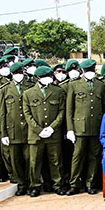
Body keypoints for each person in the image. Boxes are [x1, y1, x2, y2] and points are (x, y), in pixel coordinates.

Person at [65, 58, 105, 195]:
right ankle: (74, 183)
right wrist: (70, 129)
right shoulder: (74, 85)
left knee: (94, 156)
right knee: (77, 156)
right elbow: (69, 109)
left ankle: (90, 183)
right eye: (87, 70)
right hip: (79, 127)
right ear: (82, 71)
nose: (89, 73)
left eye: (91, 70)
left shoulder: (101, 85)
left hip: (96, 126)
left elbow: (104, 107)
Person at [22, 66, 67, 196]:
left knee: (56, 160)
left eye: (49, 76)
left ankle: (57, 185)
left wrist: (52, 127)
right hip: (36, 135)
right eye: (44, 77)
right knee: (35, 161)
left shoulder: (58, 91)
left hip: (54, 133)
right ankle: (35, 186)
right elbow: (27, 114)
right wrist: (38, 130)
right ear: (37, 78)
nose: (48, 79)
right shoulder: (28, 93)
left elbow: (61, 111)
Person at [0, 62, 32, 195]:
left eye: (20, 73)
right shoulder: (5, 89)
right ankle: (21, 184)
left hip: (28, 129)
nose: (19, 75)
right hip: (12, 130)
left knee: (29, 158)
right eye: (16, 73)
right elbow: (3, 113)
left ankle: (31, 184)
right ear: (12, 75)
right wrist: (4, 133)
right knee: (15, 159)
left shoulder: (30, 86)